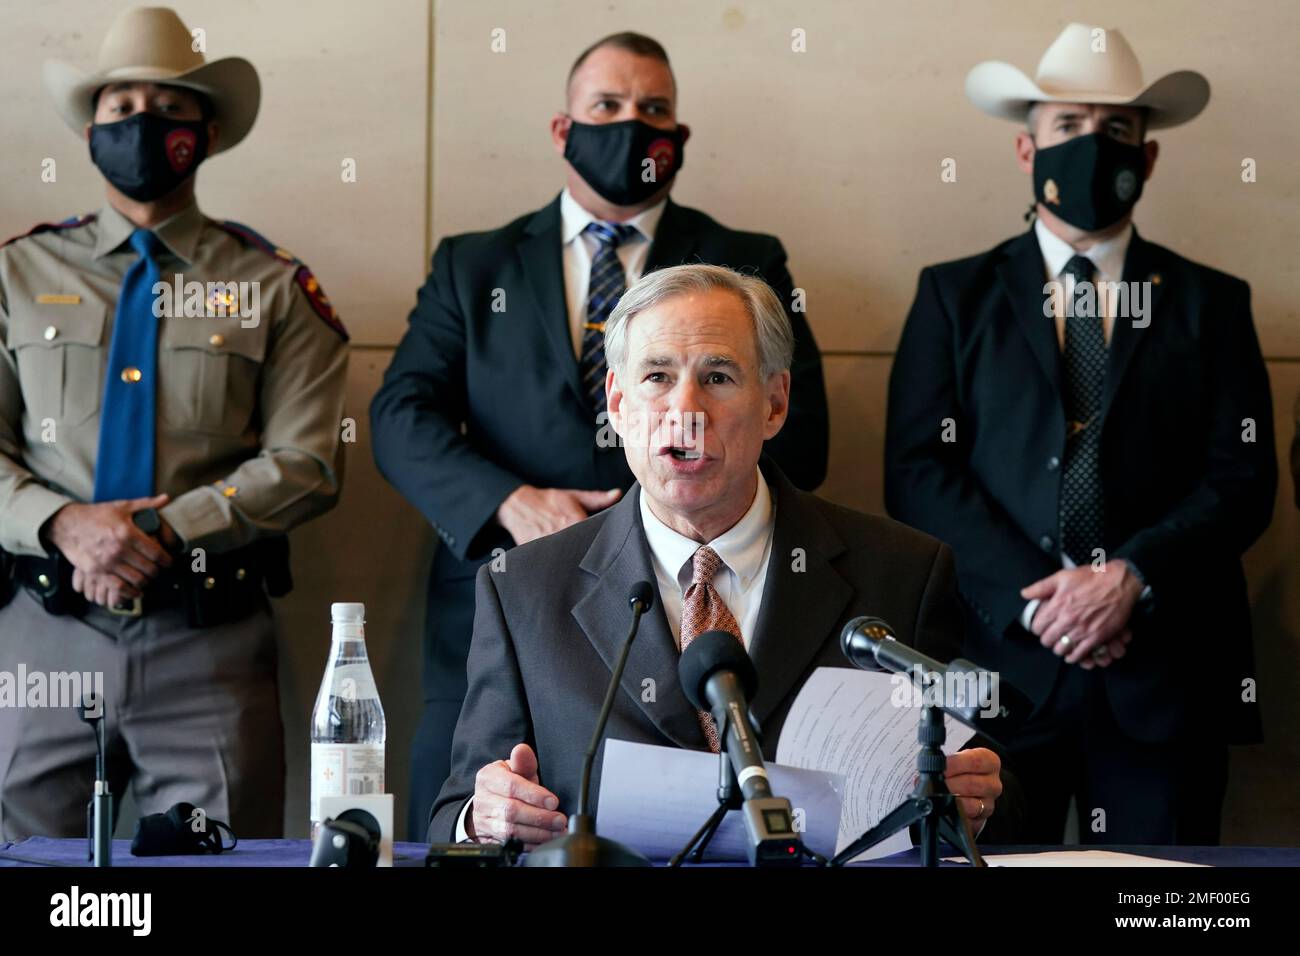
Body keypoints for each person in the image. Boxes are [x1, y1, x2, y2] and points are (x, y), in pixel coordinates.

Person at [371, 31, 829, 838]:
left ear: (678, 136)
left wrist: (677, 506)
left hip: (702, 595)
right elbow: (402, 417)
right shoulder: (474, 267)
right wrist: (513, 506)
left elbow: (805, 434)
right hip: (512, 615)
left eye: (653, 109)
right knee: (476, 824)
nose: (631, 123)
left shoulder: (745, 261)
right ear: (563, 130)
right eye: (607, 107)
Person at [428, 263, 1012, 849]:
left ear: (776, 404)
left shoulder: (902, 573)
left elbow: (964, 792)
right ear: (618, 402)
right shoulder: (524, 589)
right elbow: (455, 815)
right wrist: (484, 818)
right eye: (657, 376)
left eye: (718, 377)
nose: (686, 411)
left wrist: (968, 802)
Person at [885, 23, 1275, 844]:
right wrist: (1045, 605)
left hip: (1165, 677)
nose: (1093, 145)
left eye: (1117, 130)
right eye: (1069, 127)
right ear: (1028, 150)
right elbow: (919, 472)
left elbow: (1243, 481)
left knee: (1161, 900)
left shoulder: (1216, 303)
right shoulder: (954, 297)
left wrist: (1129, 578)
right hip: (997, 673)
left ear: (1150, 156)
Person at [0, 7, 348, 840]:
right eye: (120, 108)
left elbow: (307, 462)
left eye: (170, 107)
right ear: (90, 132)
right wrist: (65, 525)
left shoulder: (272, 286)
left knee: (215, 867)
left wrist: (154, 529)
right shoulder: (17, 273)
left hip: (209, 646)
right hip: (41, 640)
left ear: (209, 131)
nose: (143, 124)